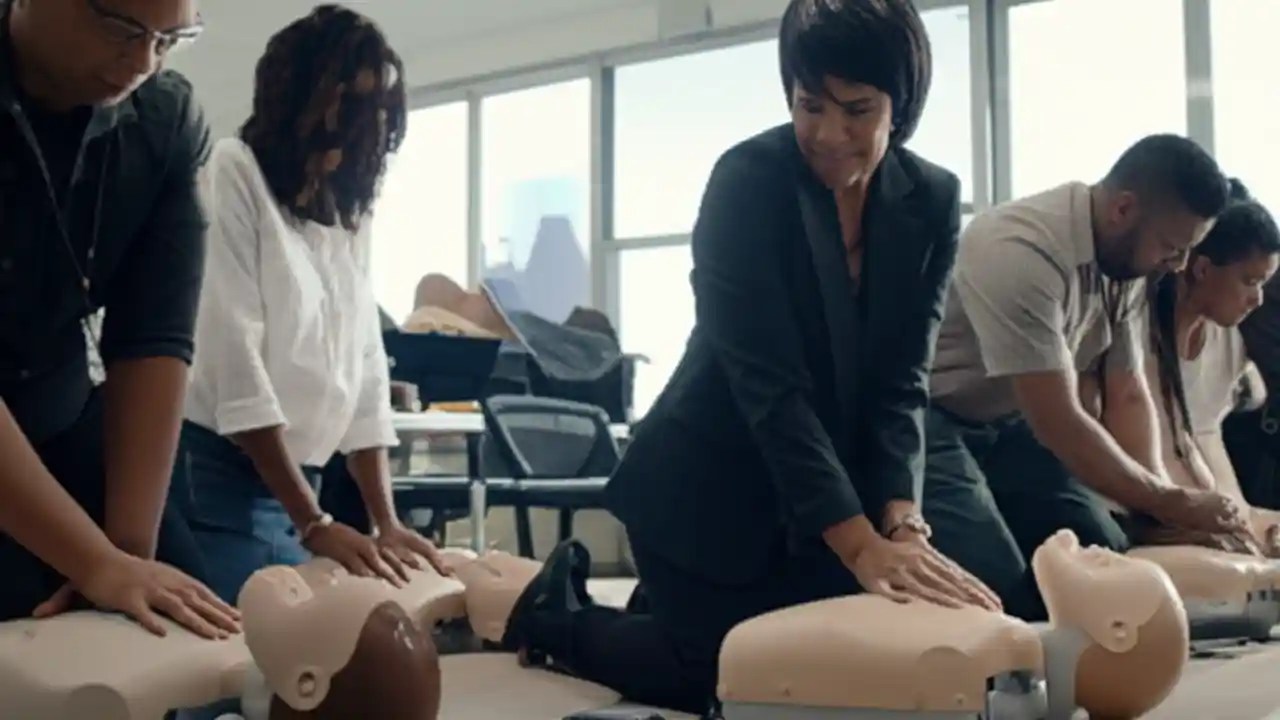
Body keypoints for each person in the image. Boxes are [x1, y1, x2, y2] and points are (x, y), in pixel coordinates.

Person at [499, 1, 1000, 714]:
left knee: (832, 660)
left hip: (816, 497)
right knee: (727, 677)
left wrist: (902, 525)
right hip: (705, 482)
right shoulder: (748, 182)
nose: (830, 134)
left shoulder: (932, 200)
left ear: (902, 104)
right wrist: (860, 548)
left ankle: (664, 604)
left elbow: (900, 383)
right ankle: (554, 616)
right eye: (810, 105)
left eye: (858, 110)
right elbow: (771, 389)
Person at [176, 5, 445, 607]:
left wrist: (386, 520)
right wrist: (314, 523)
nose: (367, 127)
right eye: (353, 104)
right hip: (220, 478)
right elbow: (235, 365)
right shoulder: (234, 171)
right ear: (297, 97)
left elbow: (367, 369)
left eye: (381, 111)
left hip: (303, 482)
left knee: (316, 651)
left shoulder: (348, 212)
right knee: (247, 658)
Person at [921, 134, 1246, 621]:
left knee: (1107, 550)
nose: (1178, 265)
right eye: (1172, 248)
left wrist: (1158, 509)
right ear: (1124, 209)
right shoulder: (1019, 250)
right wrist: (1169, 500)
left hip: (1007, 424)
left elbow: (1130, 395)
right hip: (930, 420)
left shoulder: (1125, 264)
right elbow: (1059, 421)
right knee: (1002, 583)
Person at [0, 0, 239, 638]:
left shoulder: (164, 119)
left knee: (177, 632)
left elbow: (153, 337)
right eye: (120, 27)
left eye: (170, 38)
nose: (142, 61)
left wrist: (126, 554)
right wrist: (93, 561)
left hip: (63, 415)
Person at [1137, 179, 1280, 555]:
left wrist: (1250, 520)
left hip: (1192, 499)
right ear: (1201, 269)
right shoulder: (1137, 333)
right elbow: (1156, 451)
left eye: (1264, 283)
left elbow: (1206, 435)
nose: (1257, 298)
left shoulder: (1231, 341)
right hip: (1140, 499)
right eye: (1249, 281)